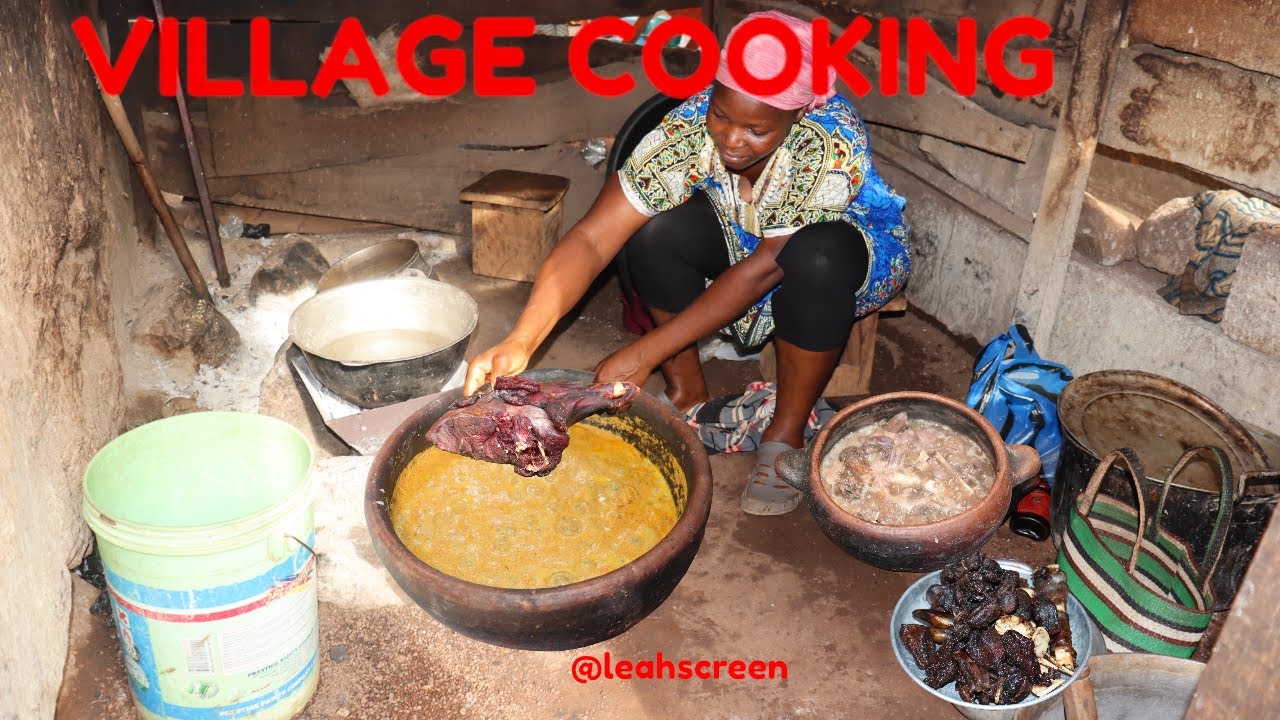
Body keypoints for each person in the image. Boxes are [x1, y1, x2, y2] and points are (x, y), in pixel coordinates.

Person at [464, 10, 910, 515]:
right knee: (654, 228)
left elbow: (769, 266)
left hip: (846, 254)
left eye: (756, 130)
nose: (731, 139)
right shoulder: (692, 123)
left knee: (817, 255)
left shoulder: (828, 139)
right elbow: (592, 238)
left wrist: (645, 351)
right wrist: (521, 339)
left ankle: (784, 434)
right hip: (745, 236)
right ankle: (686, 395)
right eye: (722, 115)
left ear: (798, 114)